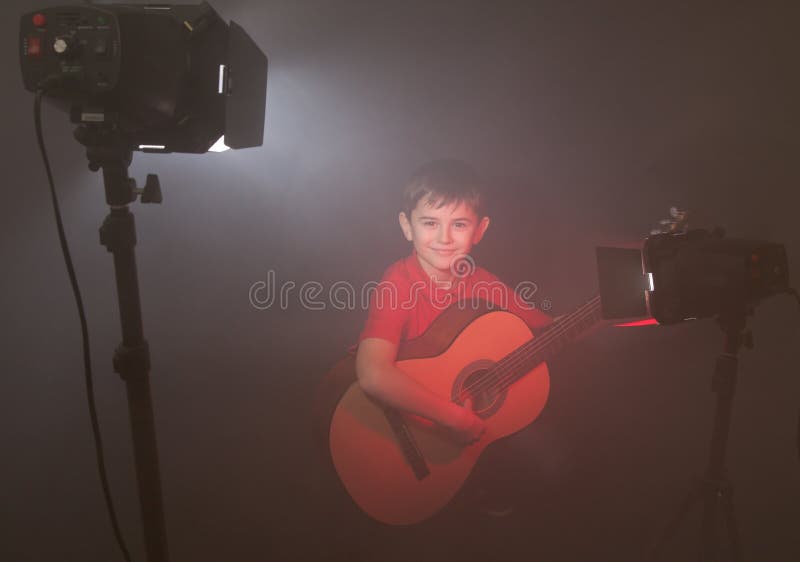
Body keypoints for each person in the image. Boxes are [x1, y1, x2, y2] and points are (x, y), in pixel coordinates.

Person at [355, 158, 554, 515]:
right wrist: (451, 418)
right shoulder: (398, 283)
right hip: (405, 422)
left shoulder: (485, 284)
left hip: (465, 428)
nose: (444, 238)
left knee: (553, 464)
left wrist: (605, 312)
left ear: (480, 230)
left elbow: (546, 327)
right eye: (430, 223)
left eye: (459, 224)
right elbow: (372, 374)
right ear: (407, 226)